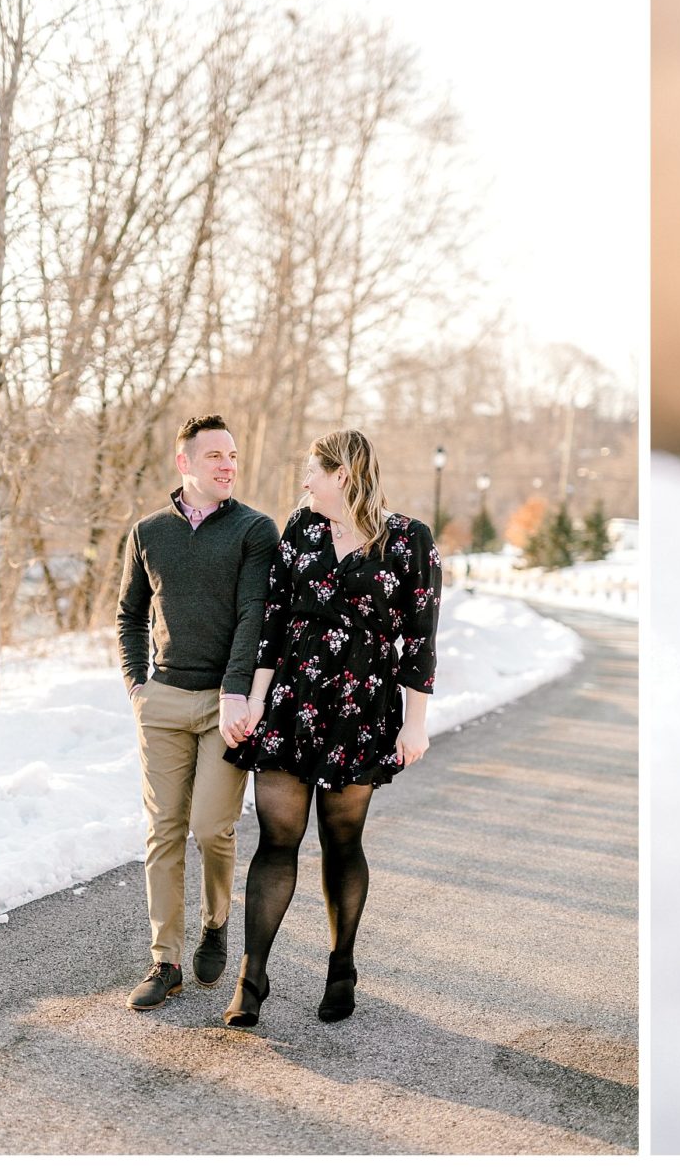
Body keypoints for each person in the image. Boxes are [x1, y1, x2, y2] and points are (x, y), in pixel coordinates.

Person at [220, 429, 442, 1026]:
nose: (304, 483)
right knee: (276, 838)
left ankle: (341, 965)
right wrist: (257, 702)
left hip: (361, 708)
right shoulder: (302, 528)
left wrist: (415, 725)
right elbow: (272, 621)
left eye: (312, 472)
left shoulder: (409, 539)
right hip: (294, 701)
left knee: (343, 842)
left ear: (340, 474)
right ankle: (252, 975)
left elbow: (419, 640)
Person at [116, 415, 279, 1011]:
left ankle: (215, 922)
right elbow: (129, 616)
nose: (228, 465)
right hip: (162, 701)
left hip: (223, 706)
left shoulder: (255, 530)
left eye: (232, 455)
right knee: (162, 832)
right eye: (214, 455)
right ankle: (166, 961)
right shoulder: (148, 532)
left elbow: (253, 615)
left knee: (211, 827)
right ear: (184, 463)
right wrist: (138, 687)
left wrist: (237, 694)